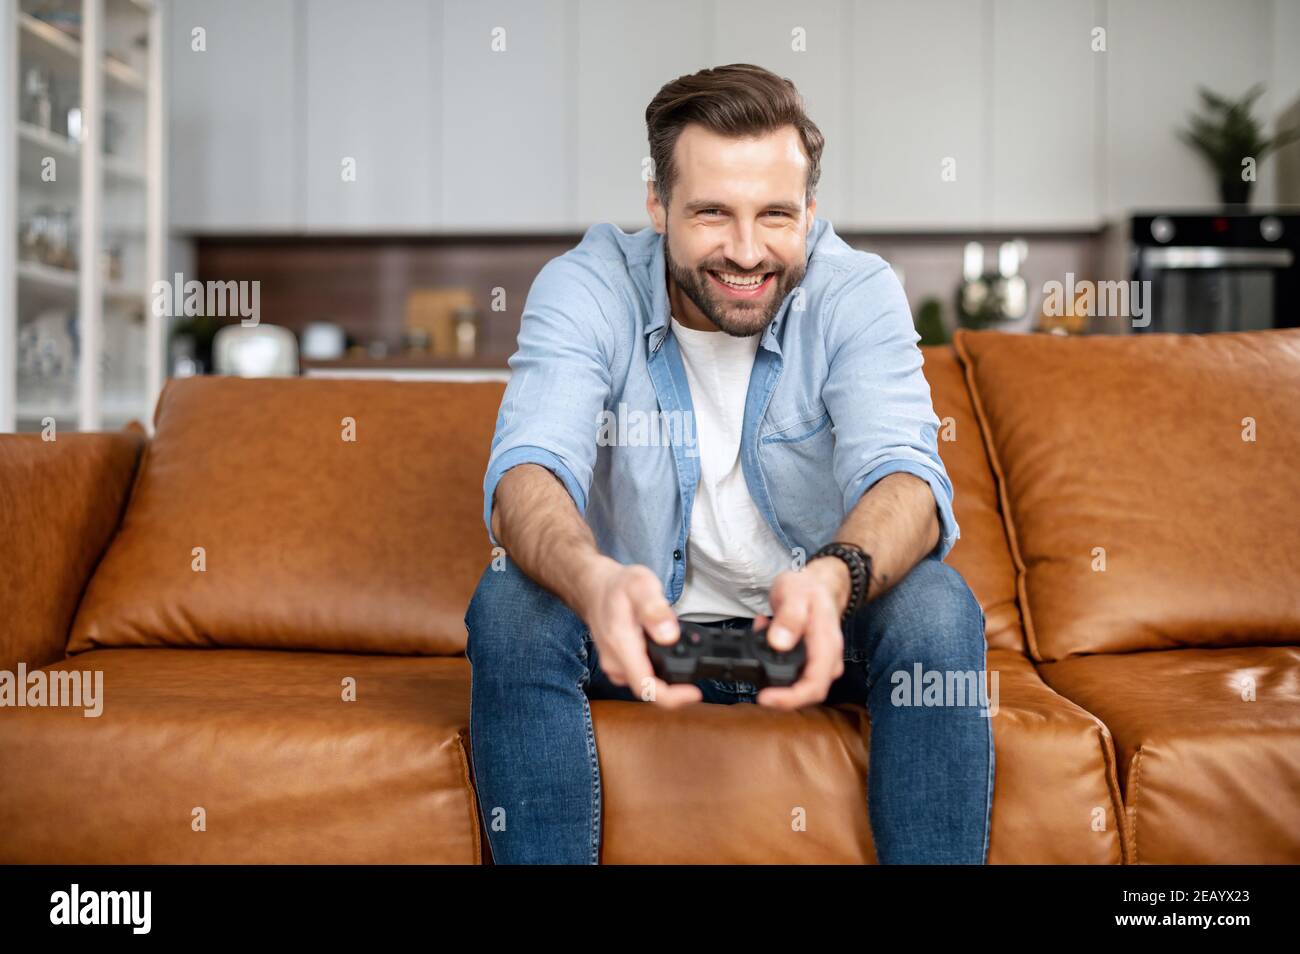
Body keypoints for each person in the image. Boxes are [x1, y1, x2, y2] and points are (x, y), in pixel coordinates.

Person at [465, 63, 993, 864]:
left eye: (776, 215)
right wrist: (595, 581)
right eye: (712, 213)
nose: (747, 253)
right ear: (657, 204)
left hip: (822, 633)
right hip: (637, 632)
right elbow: (527, 474)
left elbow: (907, 478)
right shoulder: (587, 286)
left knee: (935, 606)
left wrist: (832, 578)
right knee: (510, 601)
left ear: (811, 210)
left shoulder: (856, 291)